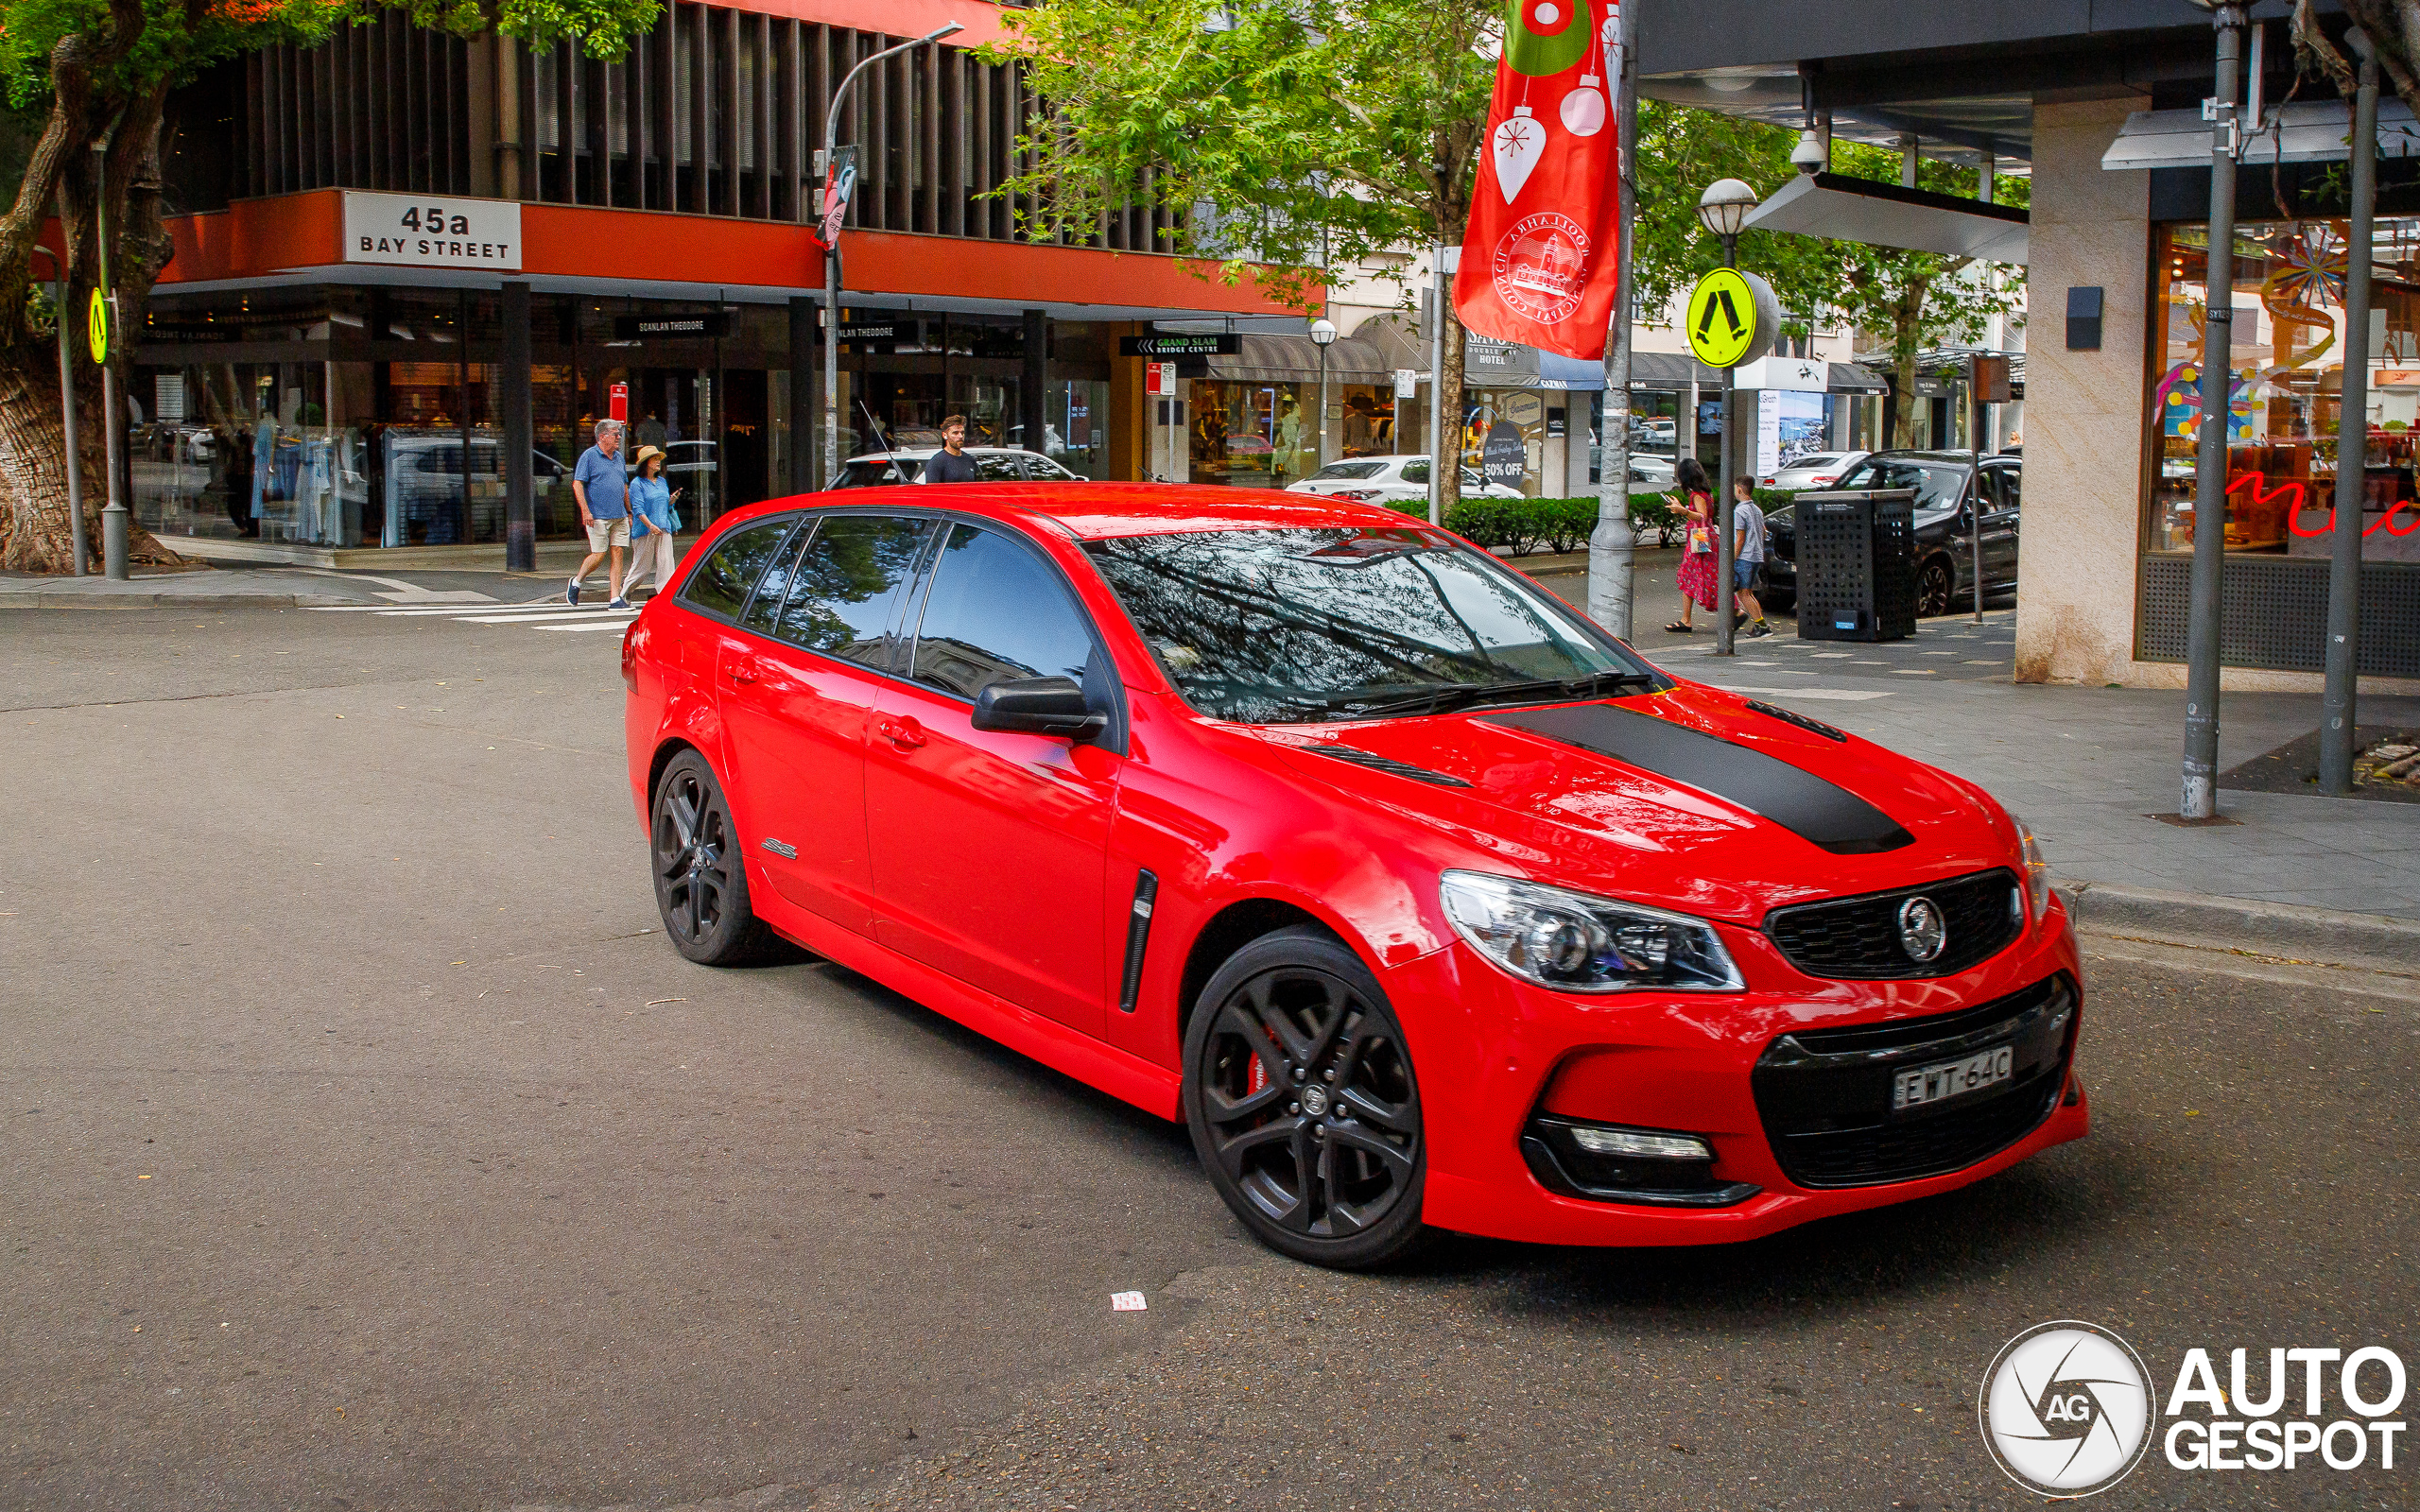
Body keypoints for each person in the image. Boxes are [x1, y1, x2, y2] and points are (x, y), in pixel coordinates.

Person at [568, 418, 631, 607]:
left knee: (618, 552)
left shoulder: (619, 458)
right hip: (598, 515)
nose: (619, 437)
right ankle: (577, 581)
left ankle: (615, 597)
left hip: (619, 514)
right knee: (598, 555)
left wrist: (629, 511)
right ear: (602, 437)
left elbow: (624, 486)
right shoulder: (589, 456)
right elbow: (577, 483)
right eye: (615, 434)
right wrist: (585, 511)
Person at [623, 445, 683, 598]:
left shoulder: (662, 481)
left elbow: (663, 504)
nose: (658, 462)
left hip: (663, 527)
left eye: (659, 459)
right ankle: (624, 593)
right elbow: (638, 509)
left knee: (667, 566)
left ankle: (665, 598)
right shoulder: (637, 484)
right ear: (646, 463)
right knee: (642, 568)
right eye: (655, 459)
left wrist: (671, 501)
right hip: (645, 529)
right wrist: (650, 525)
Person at [1667, 457, 1719, 632]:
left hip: (1699, 537)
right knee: (1706, 575)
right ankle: (1686, 619)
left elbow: (1702, 516)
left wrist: (1683, 511)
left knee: (1691, 575)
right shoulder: (1705, 493)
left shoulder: (1697, 495)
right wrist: (1682, 508)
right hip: (1705, 536)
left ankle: (1686, 620)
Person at [1731, 477, 1772, 638]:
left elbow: (1740, 537)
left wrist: (1733, 557)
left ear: (1739, 490)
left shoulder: (1740, 511)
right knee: (1747, 592)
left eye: (1735, 488)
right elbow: (1763, 532)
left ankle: (1762, 626)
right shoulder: (1757, 510)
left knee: (1743, 593)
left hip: (1745, 556)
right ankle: (1760, 624)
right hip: (1756, 554)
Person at [922, 414, 981, 484]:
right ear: (945, 435)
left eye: (962, 433)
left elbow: (980, 486)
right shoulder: (936, 462)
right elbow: (933, 491)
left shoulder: (970, 460)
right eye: (955, 433)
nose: (960, 436)